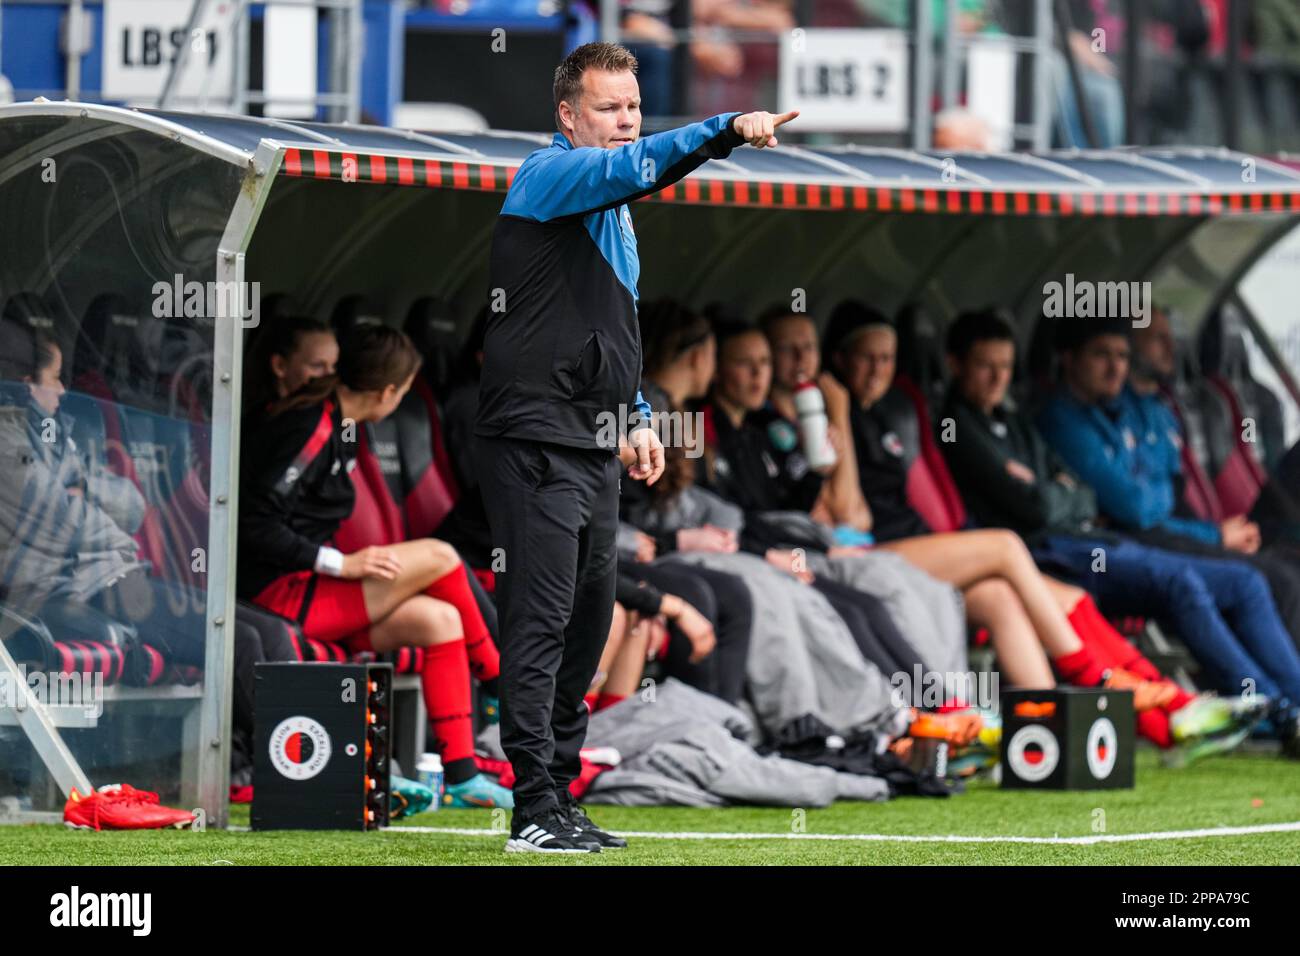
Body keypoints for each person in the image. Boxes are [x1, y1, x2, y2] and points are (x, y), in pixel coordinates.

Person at [473, 40, 796, 853]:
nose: (625, 122)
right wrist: (728, 127)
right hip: (533, 439)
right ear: (568, 115)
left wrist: (641, 414)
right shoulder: (548, 177)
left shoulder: (612, 212)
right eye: (610, 108)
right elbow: (641, 166)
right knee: (541, 623)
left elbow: (614, 333)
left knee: (590, 624)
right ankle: (531, 809)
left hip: (591, 443)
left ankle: (563, 792)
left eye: (633, 109)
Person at [938, 309, 1275, 758]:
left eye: (1006, 365)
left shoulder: (1013, 419)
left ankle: (1179, 710)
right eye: (986, 366)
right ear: (954, 364)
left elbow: (1086, 497)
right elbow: (1038, 506)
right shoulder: (958, 425)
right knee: (1178, 581)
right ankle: (1237, 711)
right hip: (1045, 549)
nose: (999, 377)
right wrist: (1052, 493)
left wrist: (1053, 492)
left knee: (1082, 604)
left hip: (1072, 543)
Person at [238, 324, 512, 809]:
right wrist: (340, 563)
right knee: (441, 556)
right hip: (274, 596)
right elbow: (253, 522)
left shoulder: (342, 422)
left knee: (440, 619)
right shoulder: (311, 424)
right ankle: (504, 687)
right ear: (388, 392)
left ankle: (465, 775)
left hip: (313, 587)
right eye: (404, 391)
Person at [1036, 315, 1300, 754]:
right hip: (1093, 548)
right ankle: (1271, 712)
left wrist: (1140, 491)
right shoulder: (1061, 420)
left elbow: (1161, 487)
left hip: (1132, 538)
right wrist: (1208, 532)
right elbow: (1134, 507)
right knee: (1203, 580)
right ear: (1068, 359)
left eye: (1121, 356)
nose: (1115, 368)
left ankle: (1290, 702)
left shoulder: (1128, 410)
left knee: (1253, 579)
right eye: (1101, 355)